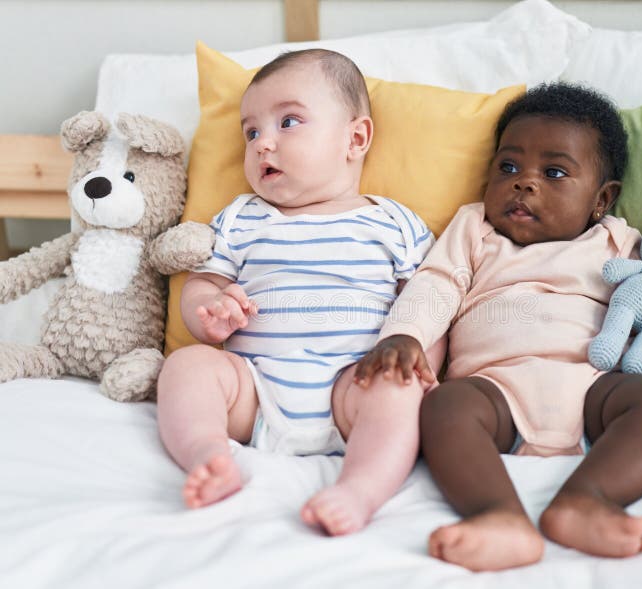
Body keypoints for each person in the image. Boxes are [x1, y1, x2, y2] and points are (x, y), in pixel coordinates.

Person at [354, 82, 642, 571]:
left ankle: (588, 499)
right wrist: (405, 337)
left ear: (601, 200)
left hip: (595, 388)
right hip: (493, 391)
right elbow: (436, 286)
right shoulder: (475, 229)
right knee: (443, 404)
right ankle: (497, 515)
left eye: (554, 172)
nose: (524, 183)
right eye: (508, 167)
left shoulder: (615, 241)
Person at [156, 49, 444, 536]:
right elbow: (205, 282)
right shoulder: (242, 217)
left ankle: (361, 488)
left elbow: (429, 302)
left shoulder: (394, 222)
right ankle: (208, 454)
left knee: (400, 389)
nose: (263, 144)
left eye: (288, 121)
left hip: (353, 388)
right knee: (187, 367)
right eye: (250, 132)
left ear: (355, 138)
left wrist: (423, 360)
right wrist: (209, 308)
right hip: (254, 390)